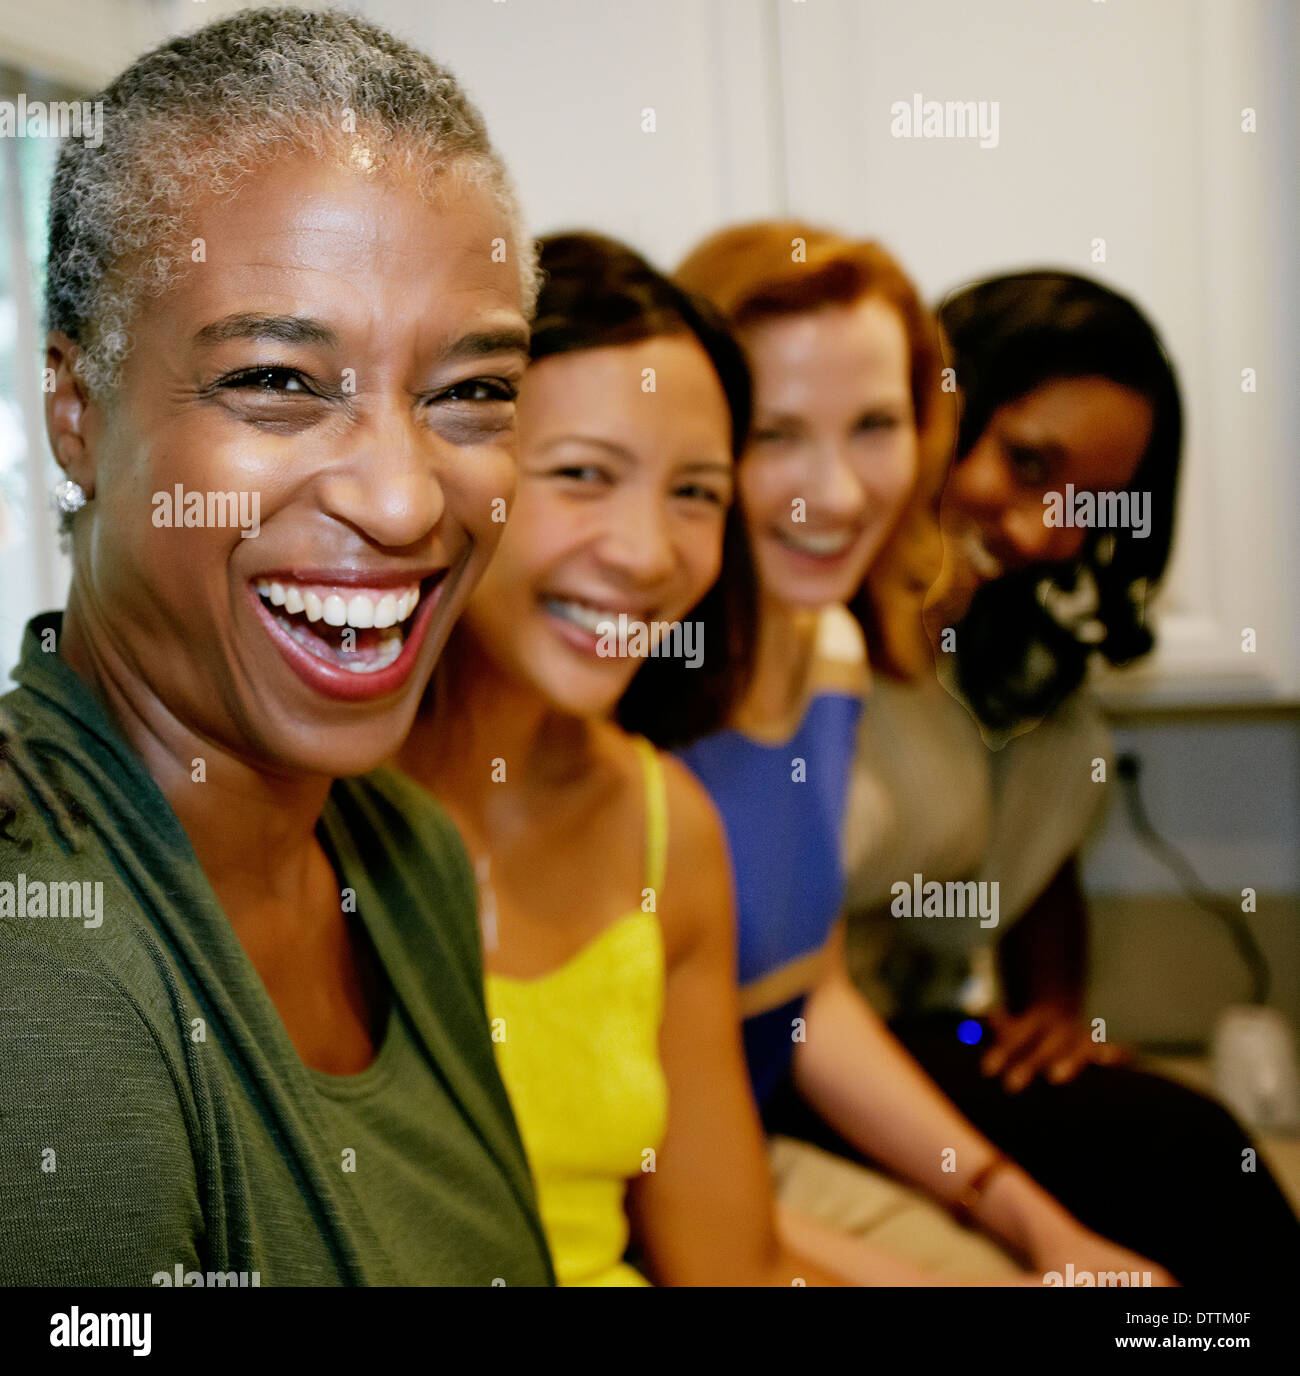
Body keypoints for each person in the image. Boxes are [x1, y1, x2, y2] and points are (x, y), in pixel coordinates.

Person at [0, 7, 554, 1285]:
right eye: (280, 382)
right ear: (76, 416)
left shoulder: (396, 851)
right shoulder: (45, 991)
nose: (406, 499)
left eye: (471, 392)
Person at [398, 232, 1037, 1286]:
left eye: (695, 491)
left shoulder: (666, 821)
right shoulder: (301, 809)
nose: (648, 553)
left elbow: (725, 1257)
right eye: (583, 474)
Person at [673, 223, 1173, 1282]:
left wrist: (1036, 1227)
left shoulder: (833, 652)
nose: (841, 491)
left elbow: (804, 993)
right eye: (775, 432)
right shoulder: (625, 676)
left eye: (874, 427)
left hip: (807, 1100)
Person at [842, 270, 1300, 1284]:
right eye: (1024, 462)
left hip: (902, 1037)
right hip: (789, 1058)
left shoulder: (1014, 655)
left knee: (1190, 1159)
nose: (1046, 532)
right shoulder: (808, 628)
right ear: (931, 410)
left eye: (1087, 506)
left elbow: (1034, 827)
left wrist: (1053, 1003)